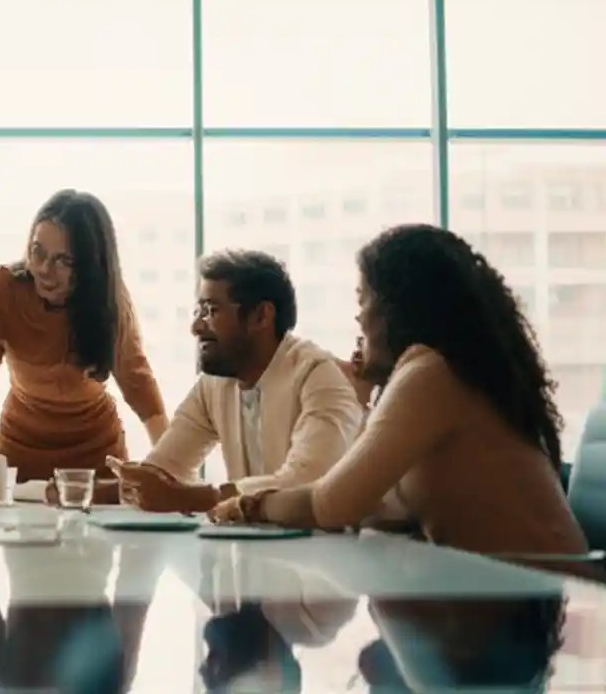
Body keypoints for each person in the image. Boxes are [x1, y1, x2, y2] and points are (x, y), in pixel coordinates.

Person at [210, 225, 589, 557]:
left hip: (542, 603)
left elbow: (331, 504)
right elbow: (375, 508)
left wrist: (250, 505)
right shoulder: (439, 373)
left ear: (397, 307)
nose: (358, 317)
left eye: (363, 299)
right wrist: (365, 394)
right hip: (505, 597)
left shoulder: (431, 373)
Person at [116, 250, 364, 513]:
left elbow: (308, 483)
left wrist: (195, 498)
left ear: (261, 316)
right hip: (252, 548)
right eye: (198, 310)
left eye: (211, 310)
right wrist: (120, 484)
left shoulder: (317, 376)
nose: (196, 327)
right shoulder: (214, 384)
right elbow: (165, 472)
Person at [0, 189, 168, 488]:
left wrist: (172, 471)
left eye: (63, 261)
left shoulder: (108, 302)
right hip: (22, 450)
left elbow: (138, 381)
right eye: (38, 252)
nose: (44, 270)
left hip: (97, 455)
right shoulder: (2, 291)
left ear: (90, 265)